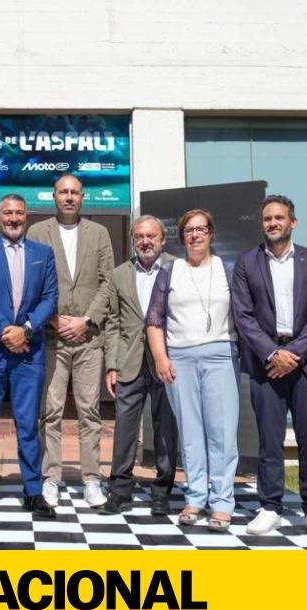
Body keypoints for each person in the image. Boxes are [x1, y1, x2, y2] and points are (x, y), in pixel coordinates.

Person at [230, 194, 307, 539]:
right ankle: (270, 506)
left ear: (293, 222)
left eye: (279, 218)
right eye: (267, 219)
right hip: (267, 364)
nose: (273, 223)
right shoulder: (247, 262)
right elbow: (243, 316)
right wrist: (273, 354)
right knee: (269, 440)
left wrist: (296, 354)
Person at [145, 209, 239, 531]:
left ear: (211, 234)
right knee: (190, 433)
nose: (195, 235)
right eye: (189, 230)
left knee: (222, 432)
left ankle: (223, 502)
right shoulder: (170, 271)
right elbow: (154, 320)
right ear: (182, 236)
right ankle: (196, 496)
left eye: (201, 229)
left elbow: (245, 316)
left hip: (219, 356)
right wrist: (160, 357)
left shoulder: (228, 269)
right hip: (180, 359)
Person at [0, 194, 58, 519]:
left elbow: (50, 298)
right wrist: (8, 332)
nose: (14, 218)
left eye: (19, 212)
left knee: (28, 425)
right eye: (8, 213)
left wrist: (27, 330)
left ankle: (33, 491)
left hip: (28, 352)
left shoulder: (42, 254)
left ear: (27, 216)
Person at [27, 173, 114, 508]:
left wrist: (87, 319)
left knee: (90, 411)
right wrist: (52, 318)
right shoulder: (38, 232)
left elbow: (107, 283)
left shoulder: (99, 233)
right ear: (53, 196)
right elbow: (31, 284)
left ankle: (92, 479)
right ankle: (51, 477)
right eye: (62, 192)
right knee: (49, 412)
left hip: (89, 338)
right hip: (51, 338)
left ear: (82, 197)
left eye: (74, 192)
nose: (68, 197)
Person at [101, 215, 178, 516]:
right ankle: (120, 490)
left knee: (165, 427)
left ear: (162, 239)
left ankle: (162, 490)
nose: (145, 242)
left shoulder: (177, 269)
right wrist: (112, 365)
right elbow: (113, 323)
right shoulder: (119, 274)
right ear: (133, 240)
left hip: (165, 361)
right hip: (129, 360)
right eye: (139, 237)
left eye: (151, 236)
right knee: (125, 428)